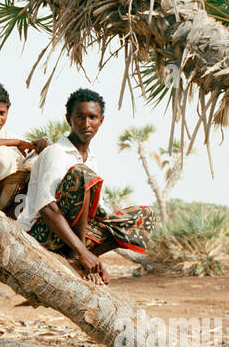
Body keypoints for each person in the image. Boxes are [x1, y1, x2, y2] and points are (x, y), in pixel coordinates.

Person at [16, 88, 155, 285]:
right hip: (42, 233)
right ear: (68, 119)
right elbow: (46, 208)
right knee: (81, 174)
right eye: (80, 117)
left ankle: (77, 259)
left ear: (101, 120)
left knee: (143, 217)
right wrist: (83, 252)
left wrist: (94, 260)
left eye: (92, 117)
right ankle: (79, 256)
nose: (86, 124)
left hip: (71, 238)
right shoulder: (56, 153)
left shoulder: (91, 159)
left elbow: (96, 211)